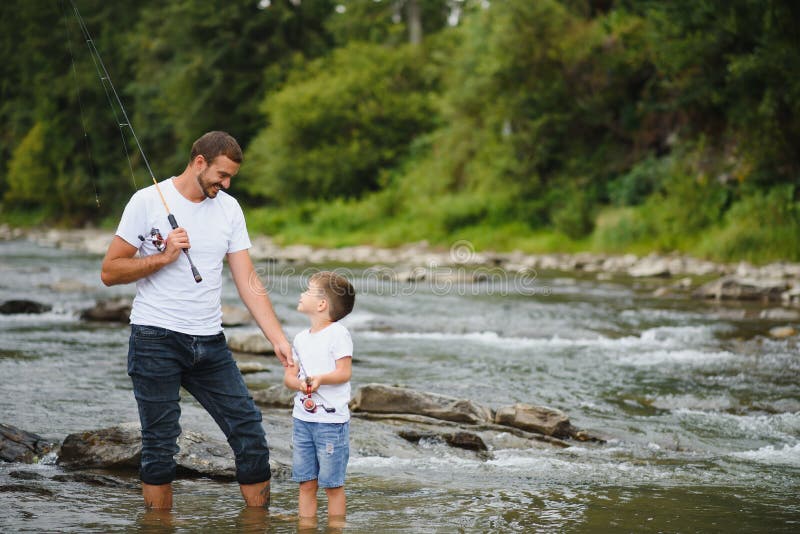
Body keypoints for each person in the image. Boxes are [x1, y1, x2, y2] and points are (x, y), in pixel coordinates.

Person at [100, 131, 292, 510]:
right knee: (160, 444)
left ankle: (259, 524)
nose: (226, 184)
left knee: (249, 432)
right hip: (154, 338)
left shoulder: (229, 209)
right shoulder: (146, 201)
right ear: (199, 162)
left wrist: (278, 339)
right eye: (222, 175)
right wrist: (164, 256)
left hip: (210, 343)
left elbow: (248, 281)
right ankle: (159, 525)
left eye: (231, 177)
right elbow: (109, 271)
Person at [283, 271, 355, 526]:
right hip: (302, 420)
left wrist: (321, 379)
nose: (302, 294)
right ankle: (306, 527)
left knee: (332, 485)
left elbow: (344, 372)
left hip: (330, 425)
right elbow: (290, 377)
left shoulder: (338, 334)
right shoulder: (301, 338)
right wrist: (299, 384)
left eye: (307, 290)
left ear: (322, 304)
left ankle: (335, 529)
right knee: (306, 482)